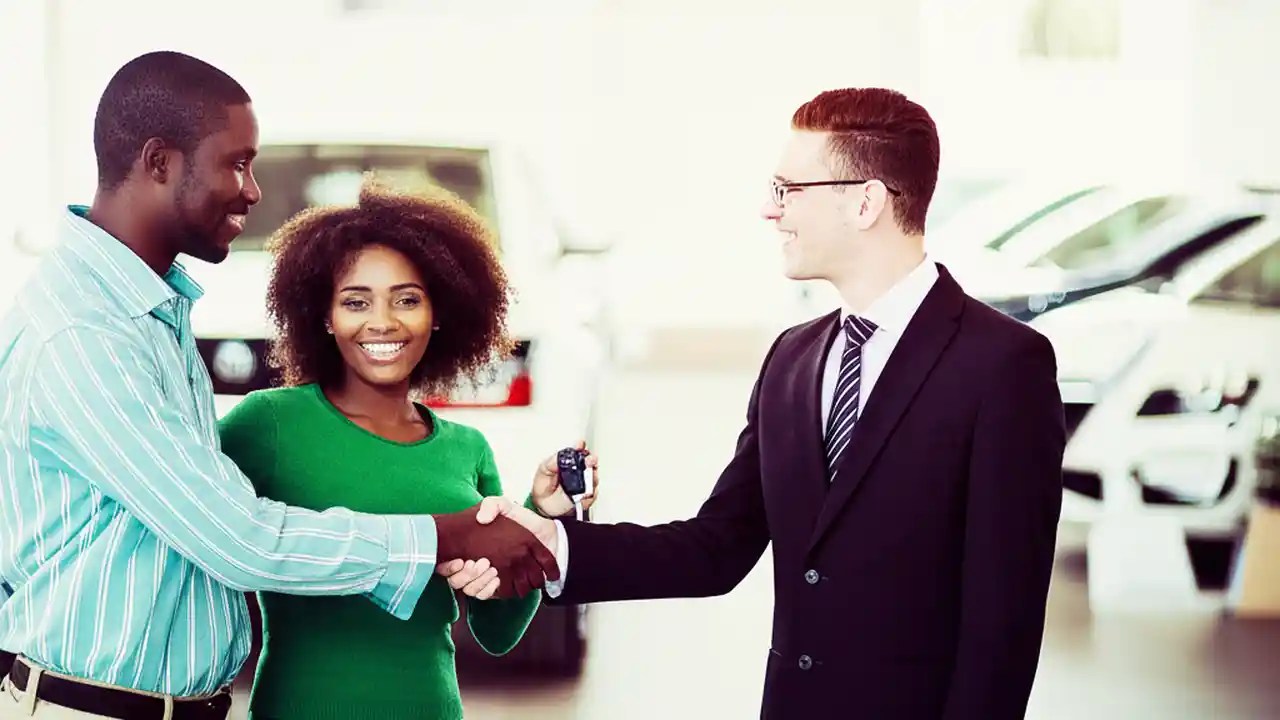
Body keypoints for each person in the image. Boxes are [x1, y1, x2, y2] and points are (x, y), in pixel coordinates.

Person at [0, 51, 555, 719]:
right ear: (159, 162)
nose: (253, 191)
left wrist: (538, 516)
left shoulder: (152, 313)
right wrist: (446, 535)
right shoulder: (87, 334)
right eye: (236, 163)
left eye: (407, 299)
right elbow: (239, 537)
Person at [487, 87, 1067, 719]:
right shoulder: (792, 359)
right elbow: (716, 548)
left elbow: (1002, 624)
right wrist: (553, 543)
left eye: (790, 189)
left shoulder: (1004, 366)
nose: (771, 210)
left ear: (865, 201)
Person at [217, 175, 599, 719]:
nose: (383, 322)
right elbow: (198, 534)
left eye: (407, 300)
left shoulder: (467, 449)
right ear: (324, 316)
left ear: (439, 313)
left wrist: (542, 512)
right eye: (356, 301)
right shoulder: (270, 423)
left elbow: (498, 633)